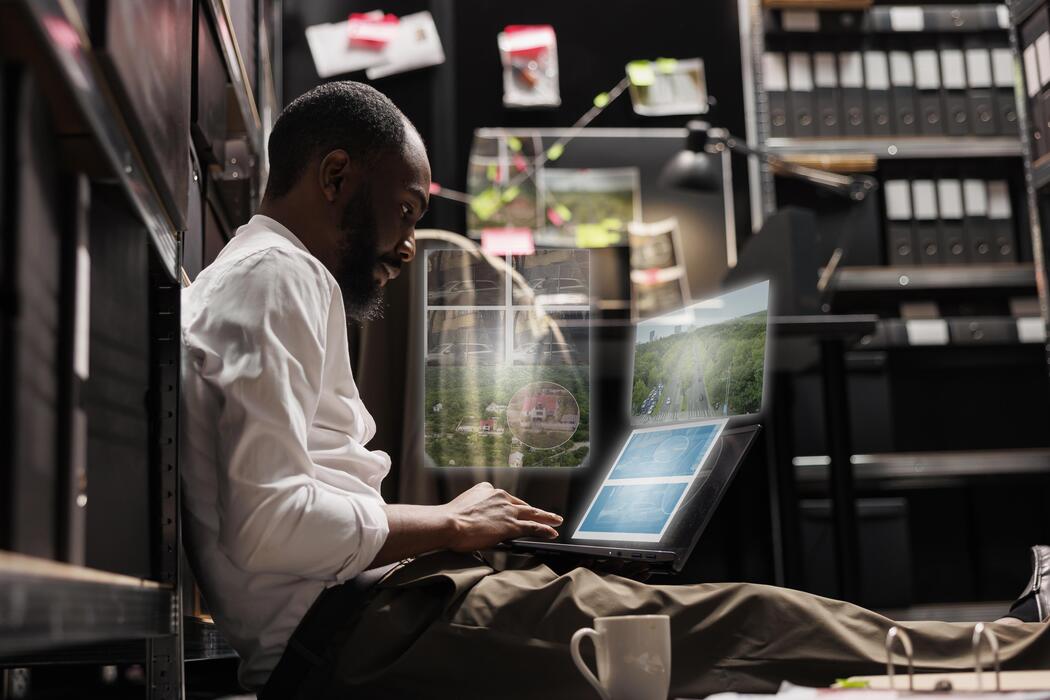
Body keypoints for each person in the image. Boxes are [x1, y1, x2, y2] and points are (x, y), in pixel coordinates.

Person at [180, 81, 1050, 700]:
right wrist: (448, 525)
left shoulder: (252, 275)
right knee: (736, 624)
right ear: (335, 179)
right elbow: (270, 525)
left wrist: (442, 534)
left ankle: (1001, 644)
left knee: (700, 618)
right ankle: (1021, 646)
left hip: (361, 616)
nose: (410, 244)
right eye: (406, 212)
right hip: (347, 636)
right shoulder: (278, 280)